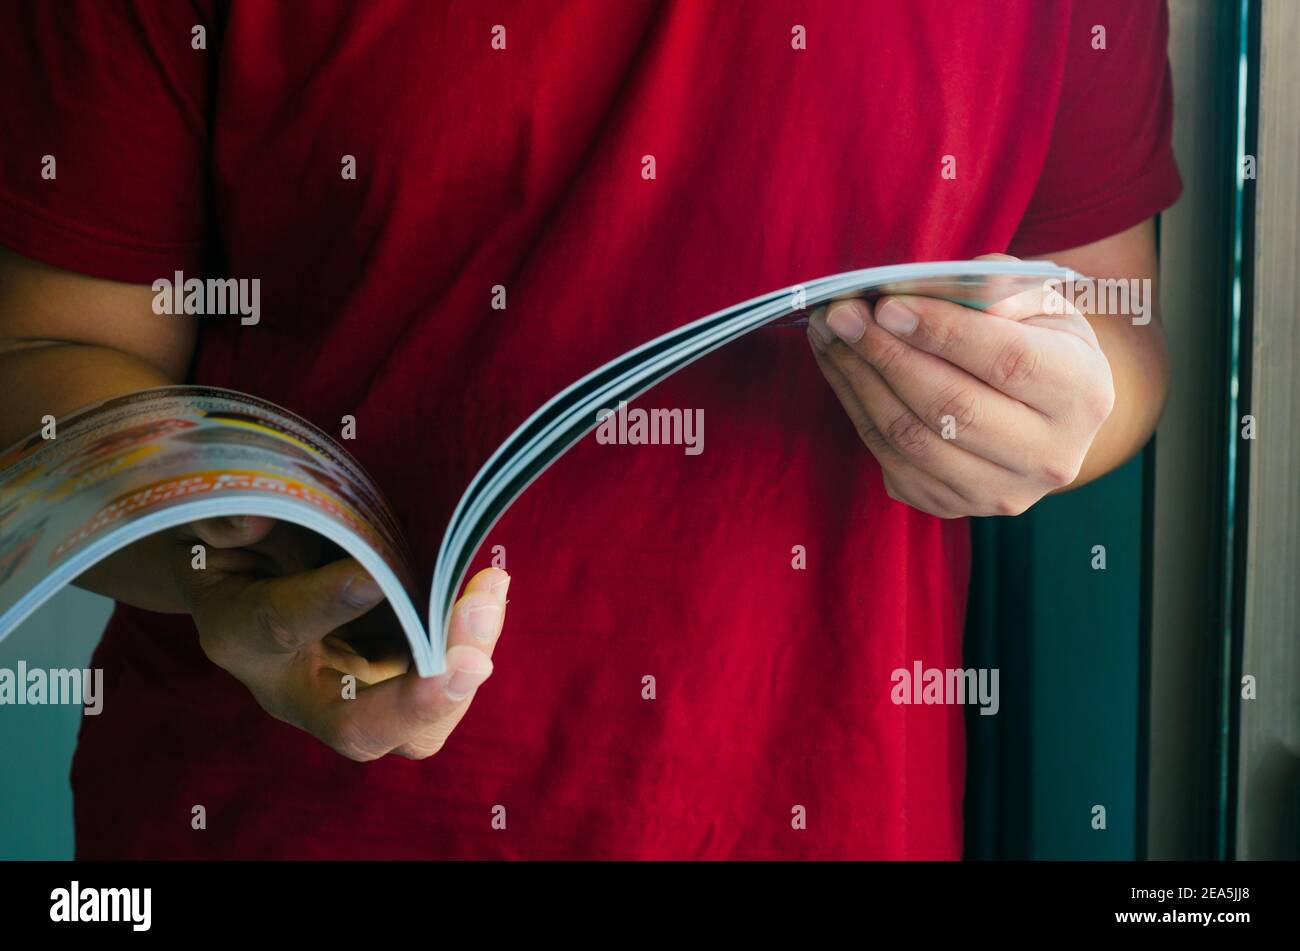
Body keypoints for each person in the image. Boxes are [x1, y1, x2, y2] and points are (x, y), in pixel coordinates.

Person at [0, 0, 1179, 859]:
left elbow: (1116, 328)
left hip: (828, 806)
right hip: (265, 810)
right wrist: (207, 555)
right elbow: (40, 362)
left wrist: (1053, 408)